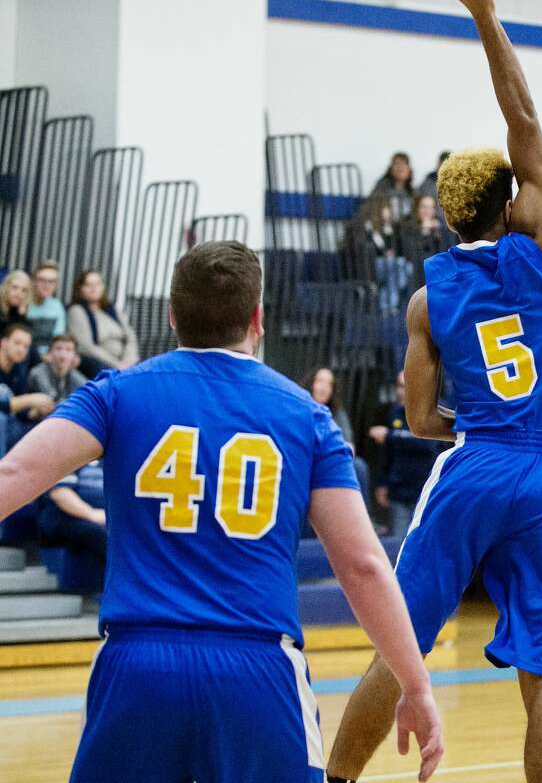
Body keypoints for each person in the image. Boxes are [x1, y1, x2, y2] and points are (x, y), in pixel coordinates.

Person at [0, 241, 442, 782]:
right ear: (257, 318)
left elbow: (12, 476)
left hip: (138, 667)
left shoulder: (115, 394)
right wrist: (415, 684)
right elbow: (363, 565)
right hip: (257, 671)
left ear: (172, 315)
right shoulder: (307, 417)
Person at [326, 0, 542, 783]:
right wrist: (486, 16)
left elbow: (419, 419)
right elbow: (525, 120)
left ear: (443, 217)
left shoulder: (428, 298)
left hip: (477, 459)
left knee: (399, 645)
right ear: (514, 203)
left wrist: (480, 422)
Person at [369, 371, 439, 538]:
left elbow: (428, 445)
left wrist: (389, 436)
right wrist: (382, 483)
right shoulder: (396, 412)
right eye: (400, 386)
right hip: (399, 489)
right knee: (399, 541)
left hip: (424, 488)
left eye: (408, 386)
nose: (403, 391)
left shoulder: (432, 411)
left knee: (423, 538)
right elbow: (388, 453)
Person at [303, 367, 371, 514]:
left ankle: (362, 516)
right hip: (304, 460)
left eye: (329, 384)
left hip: (330, 461)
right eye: (320, 381)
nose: (324, 387)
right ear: (311, 383)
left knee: (359, 466)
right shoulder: (300, 407)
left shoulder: (338, 413)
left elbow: (349, 447)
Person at [38, 459, 107, 575]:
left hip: (105, 517)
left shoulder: (111, 460)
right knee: (105, 535)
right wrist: (92, 515)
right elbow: (59, 493)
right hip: (67, 517)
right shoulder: (70, 455)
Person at [67, 269, 140, 376]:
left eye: (97, 284)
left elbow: (130, 337)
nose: (94, 288)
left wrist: (129, 360)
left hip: (126, 362)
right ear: (80, 289)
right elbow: (86, 347)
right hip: (102, 363)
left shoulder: (112, 309)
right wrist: (117, 364)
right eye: (88, 285)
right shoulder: (77, 311)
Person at [0, 323, 55, 455]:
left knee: (45, 424)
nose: (21, 349)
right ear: (3, 342)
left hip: (10, 427)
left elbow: (20, 412)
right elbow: (3, 404)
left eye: (26, 346)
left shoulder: (19, 369)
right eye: (17, 343)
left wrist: (36, 412)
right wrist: (31, 400)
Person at [400, 194, 448, 292]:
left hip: (435, 270)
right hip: (415, 269)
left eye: (430, 208)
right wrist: (422, 230)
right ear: (417, 208)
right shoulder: (409, 225)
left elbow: (445, 250)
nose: (427, 211)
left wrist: (437, 234)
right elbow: (409, 252)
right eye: (424, 207)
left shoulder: (440, 225)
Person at [29, 333, 87, 403]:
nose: (63, 354)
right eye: (58, 349)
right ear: (49, 352)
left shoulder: (73, 374)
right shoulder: (38, 372)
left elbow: (87, 393)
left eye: (68, 350)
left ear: (75, 356)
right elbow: (51, 399)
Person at [28, 261, 67, 356]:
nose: (46, 285)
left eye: (51, 281)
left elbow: (58, 339)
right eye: (42, 280)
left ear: (56, 285)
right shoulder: (23, 302)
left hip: (50, 356)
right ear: (34, 281)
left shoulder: (57, 306)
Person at [371, 151, 416, 225]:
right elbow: (371, 211)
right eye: (397, 164)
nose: (400, 168)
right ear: (391, 169)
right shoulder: (381, 188)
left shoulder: (413, 192)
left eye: (404, 164)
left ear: (409, 170)